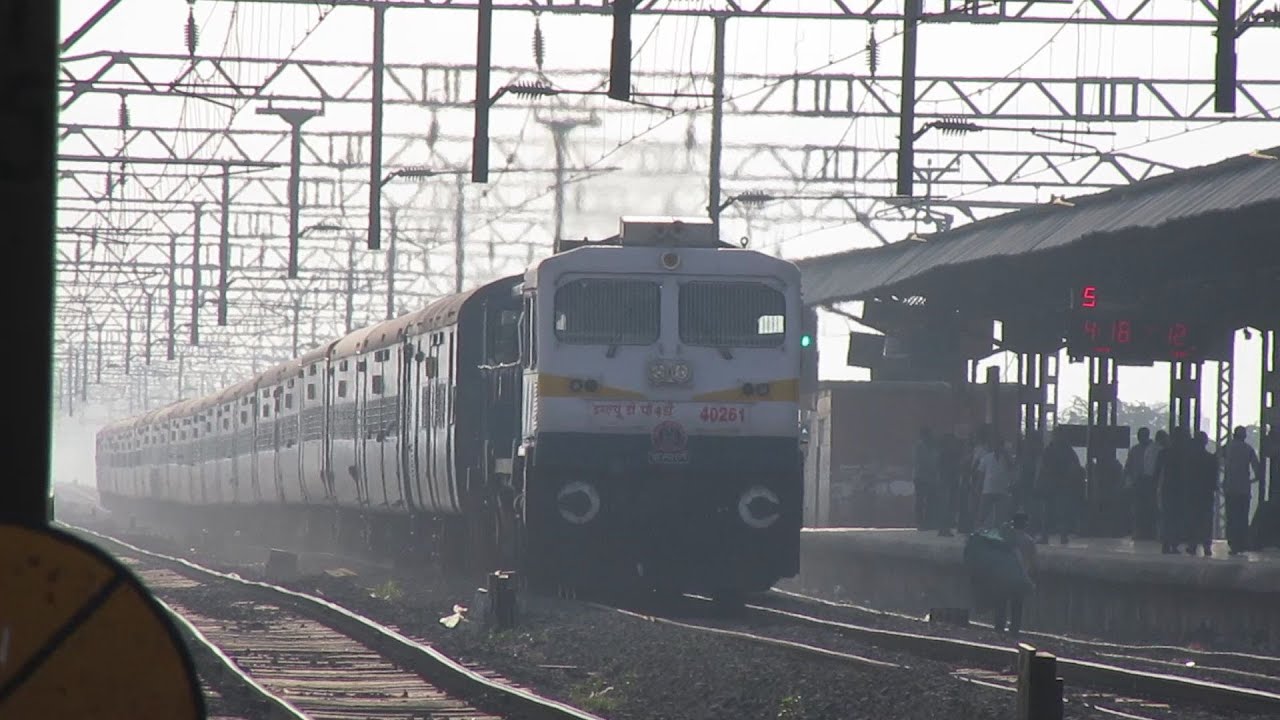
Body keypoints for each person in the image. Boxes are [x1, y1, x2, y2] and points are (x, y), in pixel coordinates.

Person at [1035, 427, 1084, 545]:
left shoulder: (1054, 449)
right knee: (1055, 511)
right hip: (1057, 484)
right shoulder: (1064, 450)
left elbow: (1043, 467)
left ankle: (1055, 536)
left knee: (1056, 511)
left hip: (1057, 484)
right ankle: (1058, 536)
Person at [994, 512, 1037, 635]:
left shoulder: (1005, 538)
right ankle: (1014, 629)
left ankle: (999, 628)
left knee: (1001, 604)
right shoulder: (1029, 541)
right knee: (1017, 605)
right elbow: (1033, 562)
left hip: (1004, 575)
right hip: (1021, 577)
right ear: (1026, 525)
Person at [1221, 426, 1262, 555]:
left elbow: (1218, 460)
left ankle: (1233, 543)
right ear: (1244, 436)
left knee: (1231, 517)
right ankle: (1241, 543)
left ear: (1234, 435)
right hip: (1244, 489)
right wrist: (1253, 480)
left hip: (1230, 488)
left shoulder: (1227, 447)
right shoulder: (1248, 449)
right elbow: (1257, 469)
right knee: (1242, 517)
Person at [1158, 426, 1192, 554]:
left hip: (1167, 488)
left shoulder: (1164, 453)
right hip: (1182, 488)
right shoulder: (1186, 454)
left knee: (1167, 517)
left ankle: (1166, 543)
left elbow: (1157, 472)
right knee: (1178, 517)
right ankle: (1174, 543)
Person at [1185, 431, 1218, 556]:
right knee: (1206, 520)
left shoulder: (1190, 459)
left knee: (1193, 518)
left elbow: (1187, 476)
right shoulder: (1210, 458)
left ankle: (1192, 544)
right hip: (1206, 493)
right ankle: (1206, 545)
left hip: (1193, 492)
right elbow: (1214, 478)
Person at [977, 435, 1015, 529]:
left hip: (1002, 490)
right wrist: (978, 486)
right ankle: (977, 531)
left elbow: (1012, 469)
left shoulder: (1007, 458)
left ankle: (999, 534)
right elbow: (981, 473)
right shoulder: (987, 457)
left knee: (1001, 516)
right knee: (982, 514)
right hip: (988, 489)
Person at [1125, 428, 1156, 540]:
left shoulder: (1139, 450)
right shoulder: (1137, 450)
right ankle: (1141, 532)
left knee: (1144, 510)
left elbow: (1128, 467)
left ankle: (1145, 532)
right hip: (1140, 483)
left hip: (1147, 483)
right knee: (1140, 510)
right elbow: (1128, 467)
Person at [912, 426, 939, 531]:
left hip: (930, 477)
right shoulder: (919, 447)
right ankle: (920, 523)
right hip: (920, 477)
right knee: (920, 500)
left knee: (930, 500)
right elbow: (920, 461)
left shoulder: (932, 446)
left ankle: (929, 522)